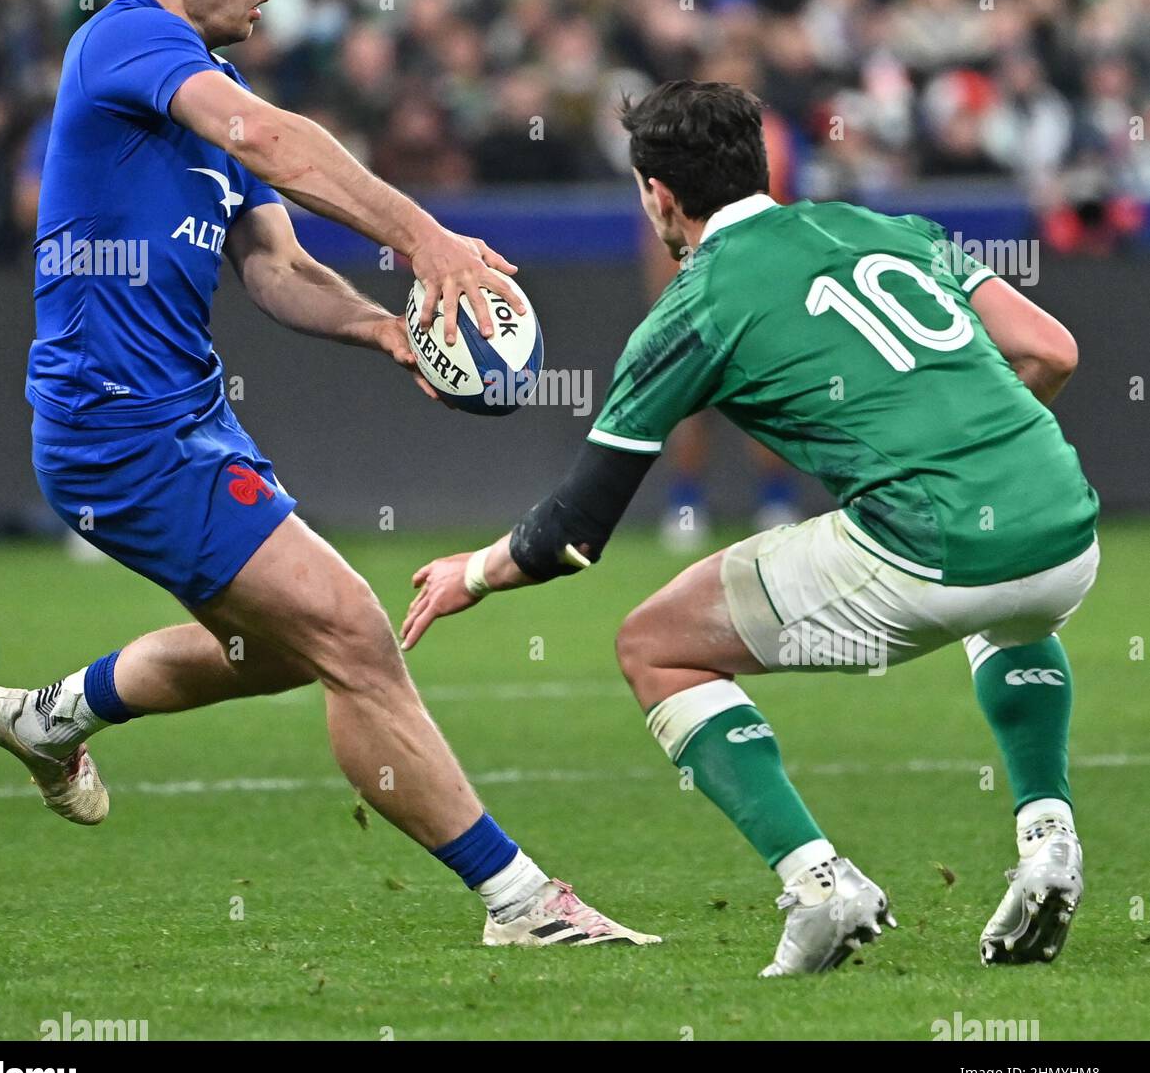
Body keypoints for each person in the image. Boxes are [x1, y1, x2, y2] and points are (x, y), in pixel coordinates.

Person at [0, 0, 656, 950]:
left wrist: (386, 326)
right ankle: (524, 904)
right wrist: (425, 238)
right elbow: (270, 140)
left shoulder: (209, 89)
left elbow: (278, 271)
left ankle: (56, 716)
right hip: (116, 427)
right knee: (350, 632)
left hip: (188, 416)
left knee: (276, 648)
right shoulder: (128, 38)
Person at [402, 79, 1099, 976]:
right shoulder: (888, 228)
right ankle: (1048, 834)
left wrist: (474, 573)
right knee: (1012, 612)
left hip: (928, 550)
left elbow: (575, 531)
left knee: (655, 645)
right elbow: (1051, 350)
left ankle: (819, 884)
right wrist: (974, 455)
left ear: (657, 193)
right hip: (1063, 527)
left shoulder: (693, 307)